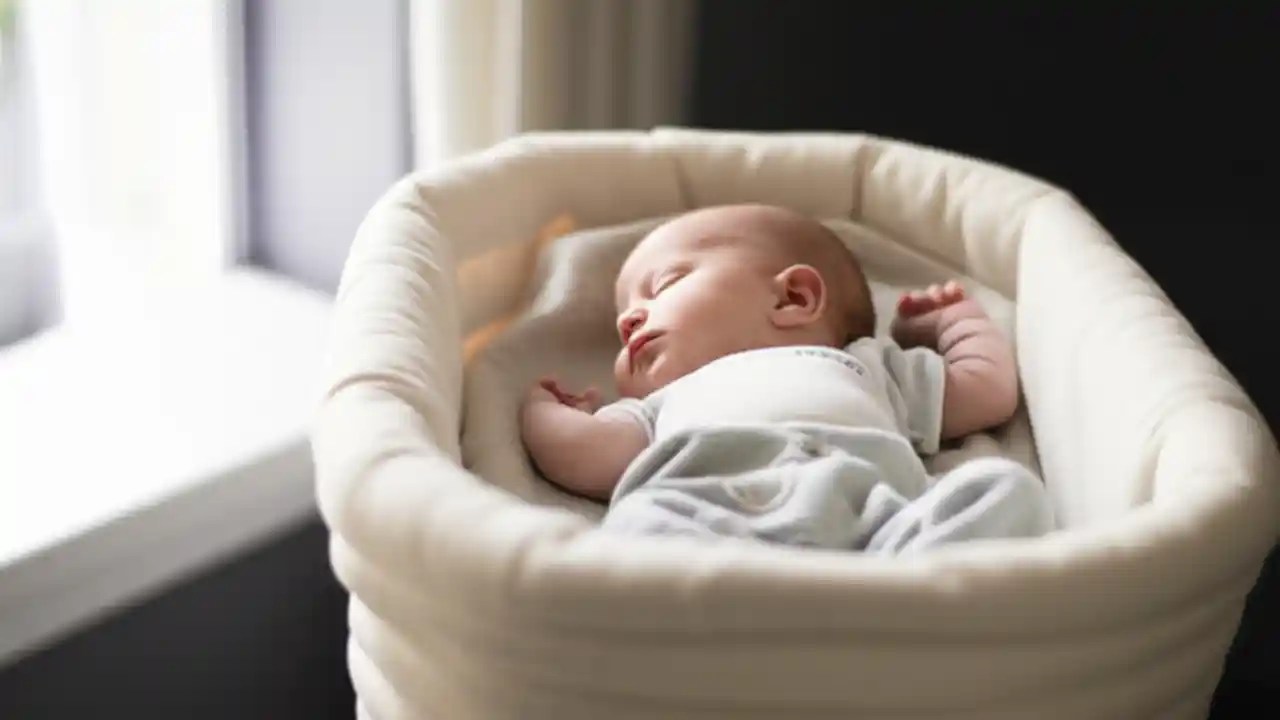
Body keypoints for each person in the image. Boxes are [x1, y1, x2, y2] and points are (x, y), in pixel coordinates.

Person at [520, 203, 1053, 553]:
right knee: (636, 526)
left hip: (872, 520)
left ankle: (898, 607)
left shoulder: (868, 366)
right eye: (625, 317)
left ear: (793, 298)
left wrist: (951, 322)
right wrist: (546, 414)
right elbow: (584, 454)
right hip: (706, 519)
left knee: (1006, 491)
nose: (628, 319)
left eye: (662, 286)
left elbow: (986, 391)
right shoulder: (658, 405)